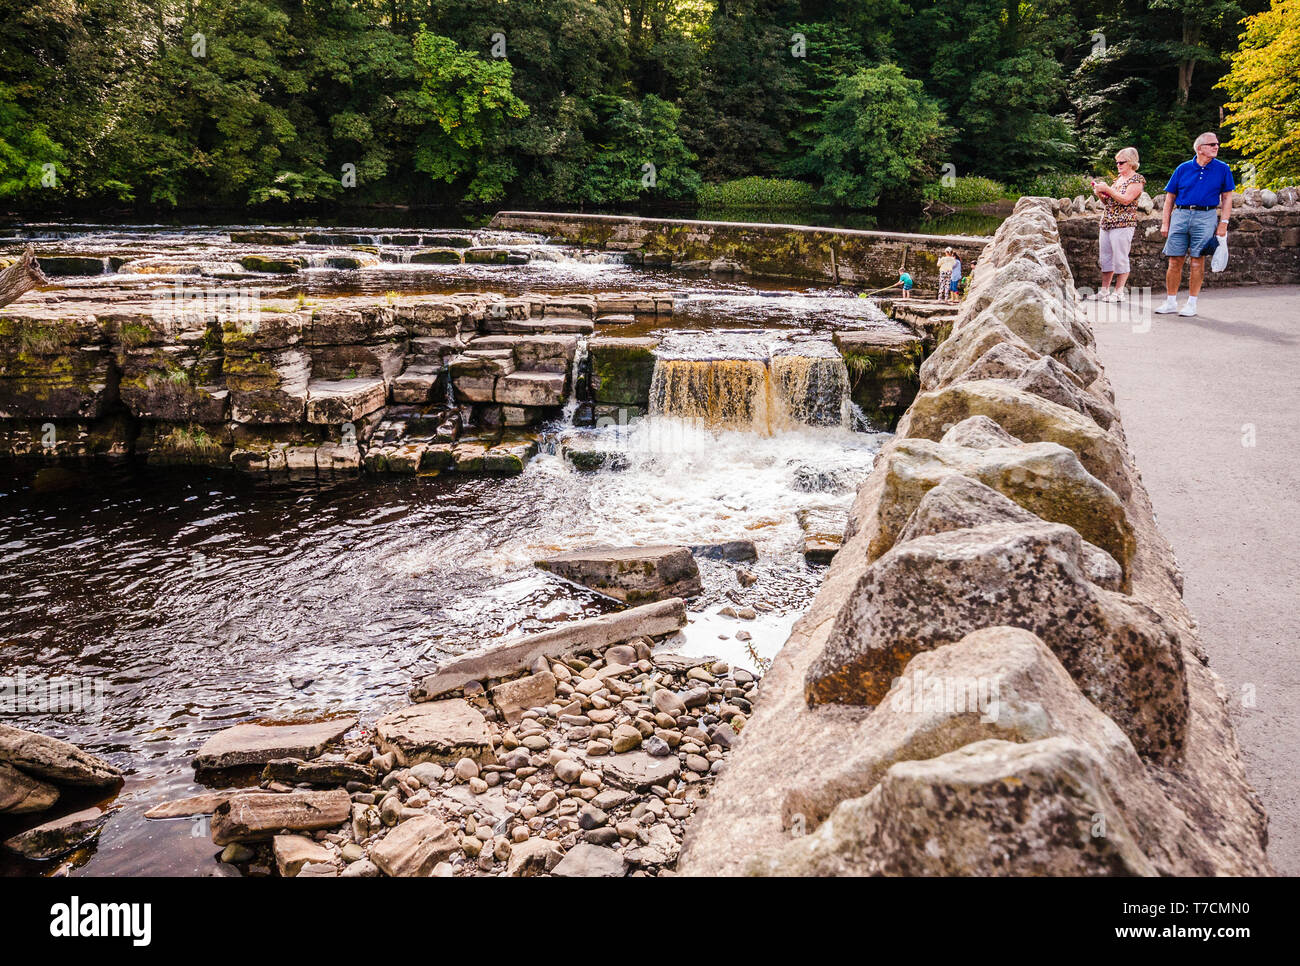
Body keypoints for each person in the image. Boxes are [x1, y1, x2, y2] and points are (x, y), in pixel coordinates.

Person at [1156, 132, 1234, 317]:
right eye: (1212, 144)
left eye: (1217, 144)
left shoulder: (1223, 169)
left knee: (1198, 261)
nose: (1216, 146)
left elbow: (1227, 197)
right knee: (1174, 260)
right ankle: (1171, 302)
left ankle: (1191, 303)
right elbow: (1169, 198)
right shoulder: (1182, 168)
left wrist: (1224, 222)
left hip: (1206, 215)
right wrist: (1165, 223)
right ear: (1200, 148)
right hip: (1181, 214)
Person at [1090, 146, 1146, 301]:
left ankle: (1119, 292)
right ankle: (1104, 290)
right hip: (1107, 222)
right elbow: (1109, 202)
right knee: (1105, 258)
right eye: (1117, 162)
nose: (1118, 165)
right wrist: (1101, 194)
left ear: (1131, 162)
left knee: (1120, 258)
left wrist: (1108, 189)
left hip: (1123, 224)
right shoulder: (1118, 180)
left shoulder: (1137, 179)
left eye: (1121, 162)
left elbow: (1127, 200)